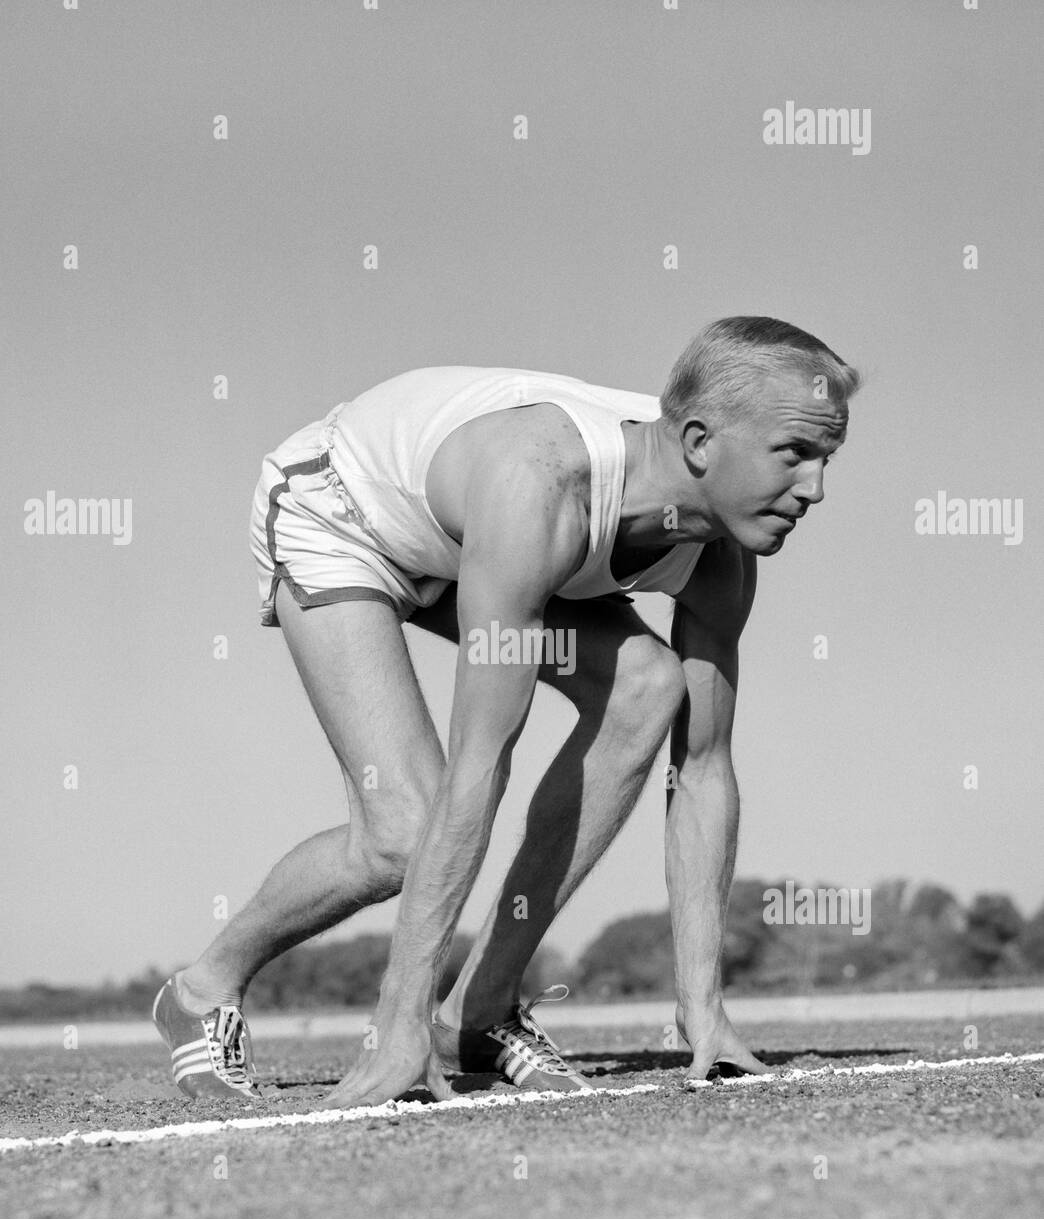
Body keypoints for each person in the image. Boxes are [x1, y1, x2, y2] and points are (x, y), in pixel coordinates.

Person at [153, 316, 859, 1107]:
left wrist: (704, 1011)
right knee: (405, 830)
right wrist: (397, 1027)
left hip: (473, 545)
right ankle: (201, 991)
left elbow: (702, 768)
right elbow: (482, 761)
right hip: (341, 513)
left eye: (826, 459)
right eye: (795, 455)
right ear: (698, 442)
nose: (816, 488)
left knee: (649, 685)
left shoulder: (716, 554)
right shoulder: (544, 485)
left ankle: (478, 1013)